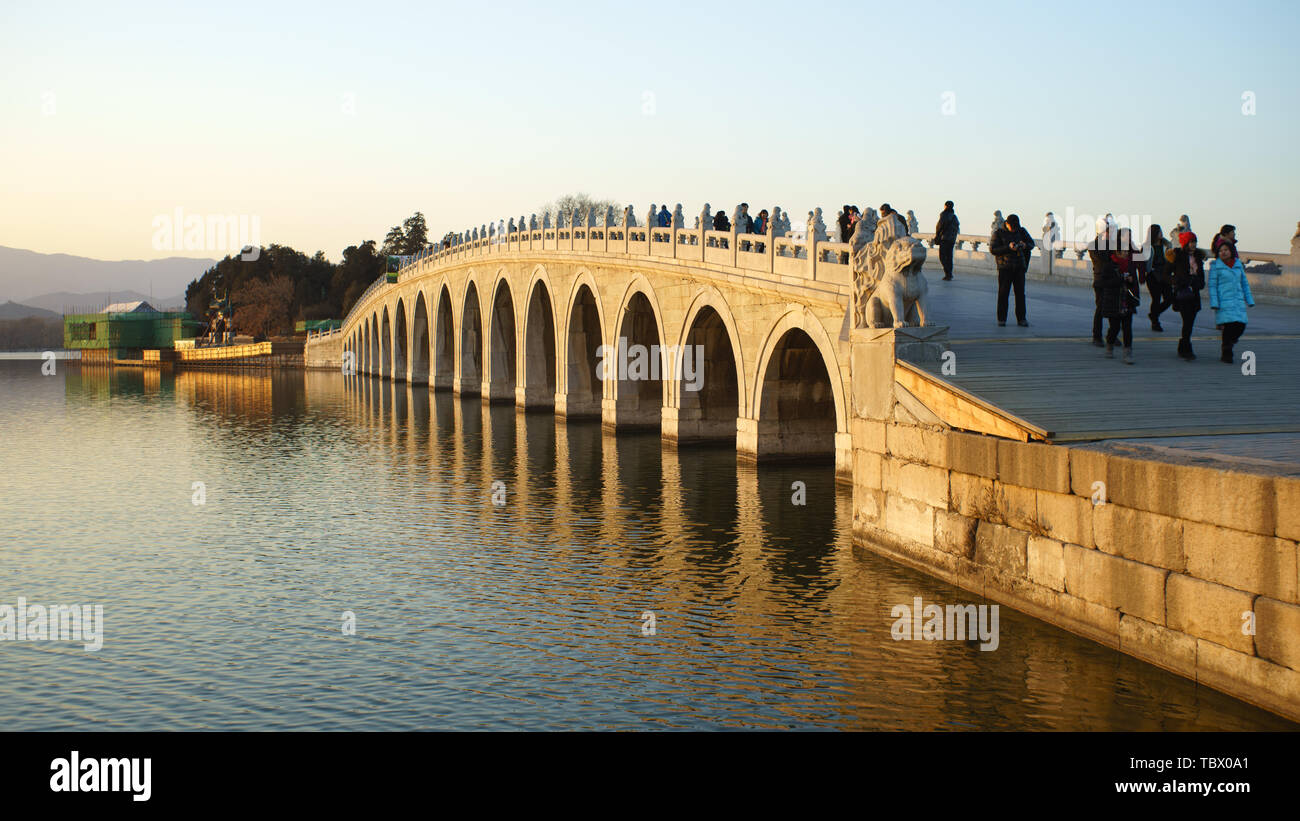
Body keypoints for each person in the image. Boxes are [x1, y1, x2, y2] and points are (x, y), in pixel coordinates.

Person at [1208, 238, 1254, 363]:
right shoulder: (1216, 267)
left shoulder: (1238, 265)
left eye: (1226, 250)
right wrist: (1214, 303)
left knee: (1241, 325)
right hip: (1223, 301)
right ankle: (1226, 352)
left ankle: (1230, 342)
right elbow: (1212, 286)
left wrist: (1249, 299)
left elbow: (1244, 283)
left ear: (1231, 251)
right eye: (1221, 250)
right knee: (1228, 326)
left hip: (1238, 301)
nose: (1223, 252)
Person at [1099, 228, 1140, 363]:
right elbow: (1103, 283)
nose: (1126, 254)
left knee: (1128, 328)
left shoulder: (1129, 266)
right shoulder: (1109, 266)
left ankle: (1128, 352)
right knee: (1115, 328)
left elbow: (1134, 283)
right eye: (1123, 252)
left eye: (1127, 252)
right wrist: (1122, 279)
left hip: (1127, 301)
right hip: (1114, 301)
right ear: (1117, 252)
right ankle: (1109, 345)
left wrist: (1131, 282)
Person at [1167, 231, 1206, 360]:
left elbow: (1202, 280)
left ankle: (1183, 345)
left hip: (1194, 294)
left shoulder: (1198, 258)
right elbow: (1166, 275)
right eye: (1191, 242)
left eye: (1194, 242)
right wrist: (1177, 281)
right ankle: (1186, 347)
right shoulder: (1177, 256)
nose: (1193, 245)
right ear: (1185, 243)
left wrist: (1196, 282)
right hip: (1183, 293)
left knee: (1190, 321)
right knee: (1187, 321)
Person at [990, 213, 1033, 326]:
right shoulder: (999, 233)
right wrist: (1008, 248)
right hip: (1005, 267)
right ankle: (1002, 319)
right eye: (1012, 227)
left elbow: (1031, 244)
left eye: (1016, 227)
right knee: (1003, 293)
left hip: (1019, 267)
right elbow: (993, 249)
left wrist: (1025, 245)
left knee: (1020, 294)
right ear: (1007, 224)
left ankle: (1022, 319)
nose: (1014, 229)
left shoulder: (1022, 231)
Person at [1088, 216, 1114, 346]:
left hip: (1113, 280)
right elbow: (1103, 260)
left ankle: (1112, 335)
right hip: (1100, 280)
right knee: (1100, 308)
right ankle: (1096, 336)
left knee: (1114, 308)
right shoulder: (1094, 245)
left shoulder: (1113, 243)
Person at [1144, 224, 1173, 331]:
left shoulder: (1167, 245)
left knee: (1169, 298)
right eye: (1159, 231)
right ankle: (1155, 322)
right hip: (1152, 275)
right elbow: (1142, 263)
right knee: (1156, 299)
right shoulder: (1147, 246)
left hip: (1165, 274)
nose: (1161, 233)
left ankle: (1154, 314)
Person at [933, 200, 959, 280]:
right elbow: (956, 228)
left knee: (942, 256)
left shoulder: (944, 214)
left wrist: (937, 235)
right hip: (951, 239)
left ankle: (947, 273)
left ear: (945, 206)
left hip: (944, 238)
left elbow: (940, 226)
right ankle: (949, 273)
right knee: (949, 256)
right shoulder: (954, 216)